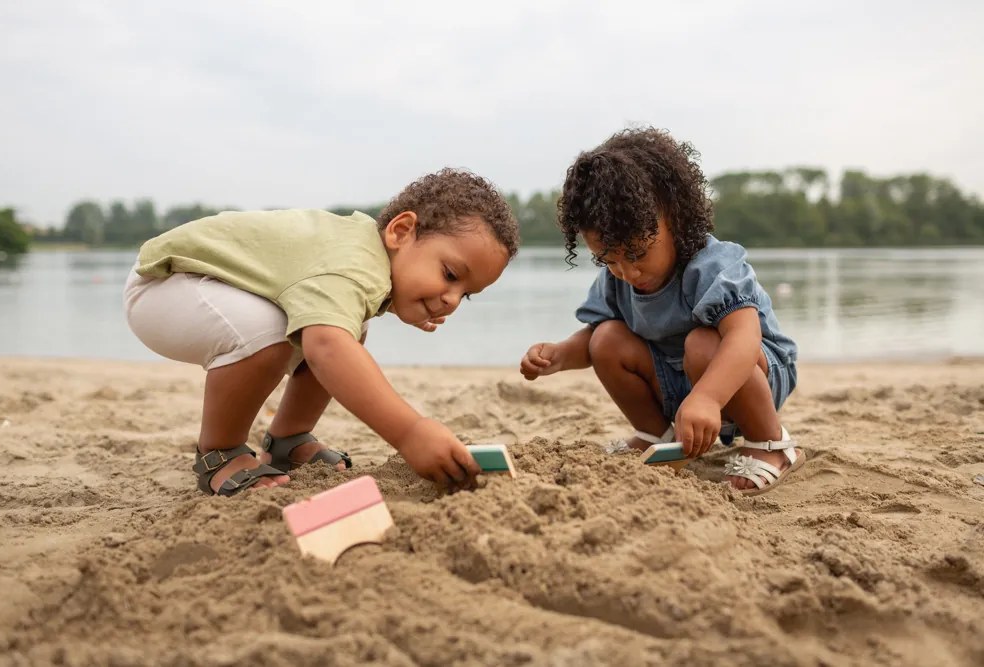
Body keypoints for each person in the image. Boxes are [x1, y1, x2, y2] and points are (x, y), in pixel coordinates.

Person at [125, 169, 519, 496]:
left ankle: (287, 439)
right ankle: (220, 451)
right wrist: (411, 433)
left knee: (349, 327)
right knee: (289, 334)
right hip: (165, 285)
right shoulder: (352, 265)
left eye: (464, 294)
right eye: (450, 275)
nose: (451, 299)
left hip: (211, 286)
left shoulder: (365, 261)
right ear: (401, 232)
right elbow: (326, 349)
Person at [519, 128, 802, 495]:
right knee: (606, 338)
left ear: (675, 217)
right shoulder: (618, 277)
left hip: (750, 372)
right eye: (609, 259)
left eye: (637, 254)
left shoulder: (711, 266)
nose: (627, 271)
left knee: (702, 343)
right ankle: (656, 434)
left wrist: (708, 397)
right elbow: (594, 338)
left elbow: (744, 337)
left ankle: (771, 444)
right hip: (678, 379)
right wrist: (559, 355)